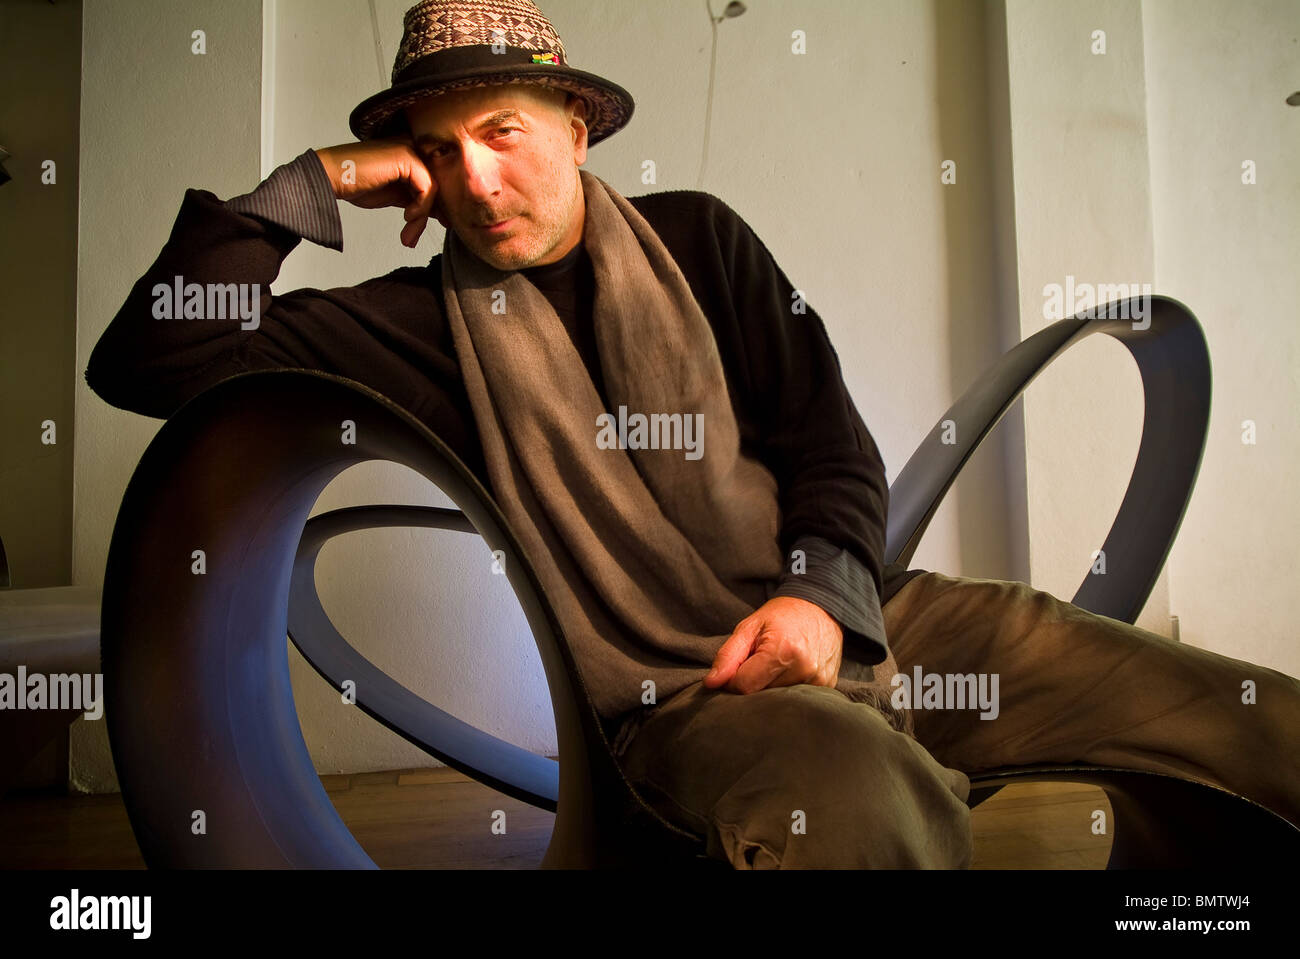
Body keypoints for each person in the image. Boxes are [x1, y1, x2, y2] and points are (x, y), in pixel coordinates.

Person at [85, 0, 1300, 869]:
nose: (477, 178)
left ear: (573, 123)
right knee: (853, 798)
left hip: (875, 613)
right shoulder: (402, 326)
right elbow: (151, 362)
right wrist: (310, 185)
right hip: (684, 692)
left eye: (502, 130)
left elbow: (831, 446)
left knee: (1226, 714)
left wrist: (824, 602)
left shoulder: (702, 239)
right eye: (438, 152)